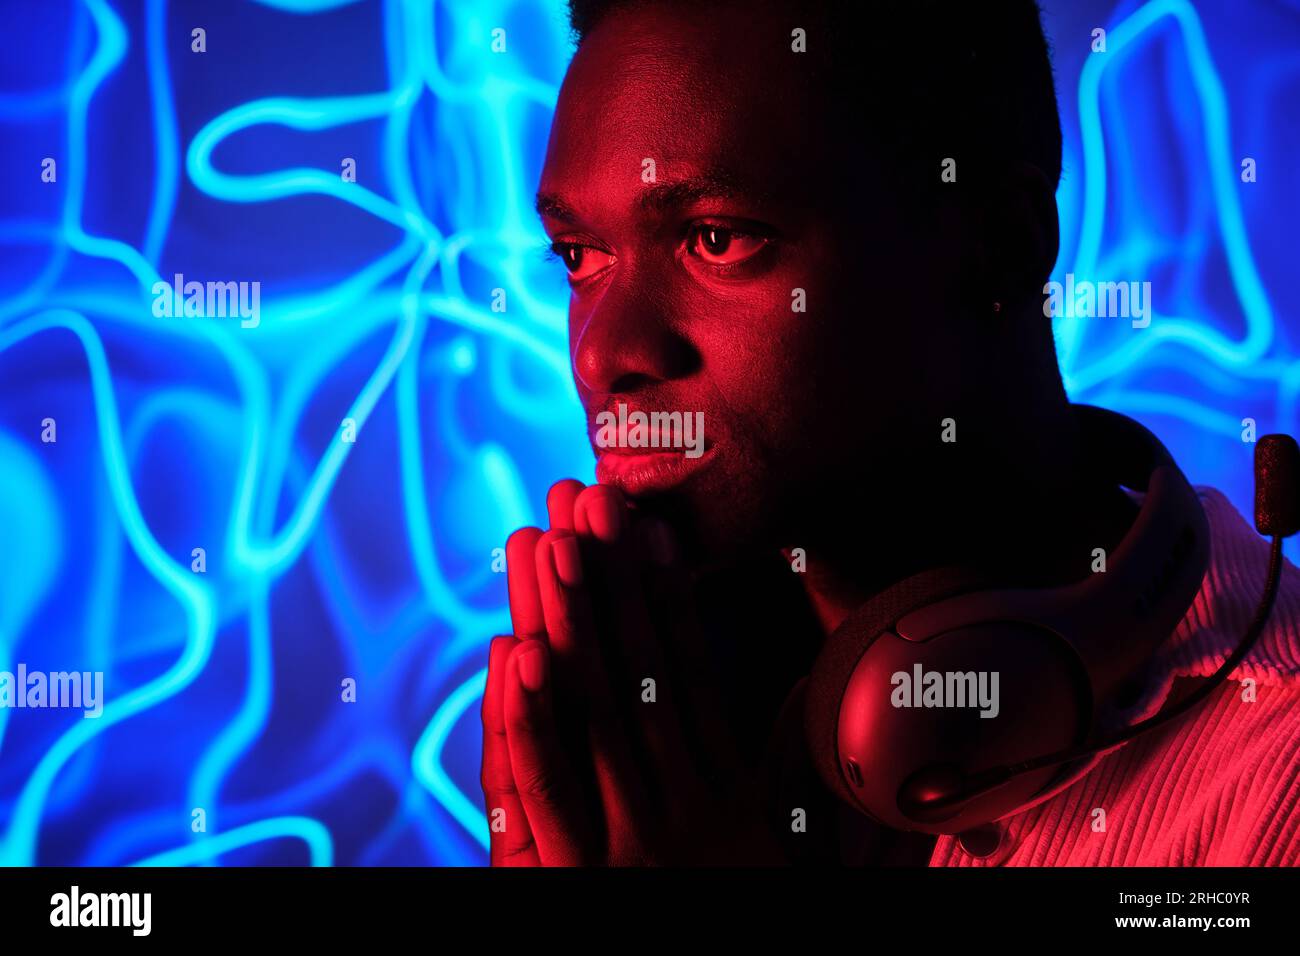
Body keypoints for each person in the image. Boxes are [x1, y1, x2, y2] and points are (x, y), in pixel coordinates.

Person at [478, 0, 1300, 866]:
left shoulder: (1273, 787)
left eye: (716, 239)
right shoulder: (653, 753)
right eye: (578, 255)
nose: (604, 351)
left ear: (1000, 245)